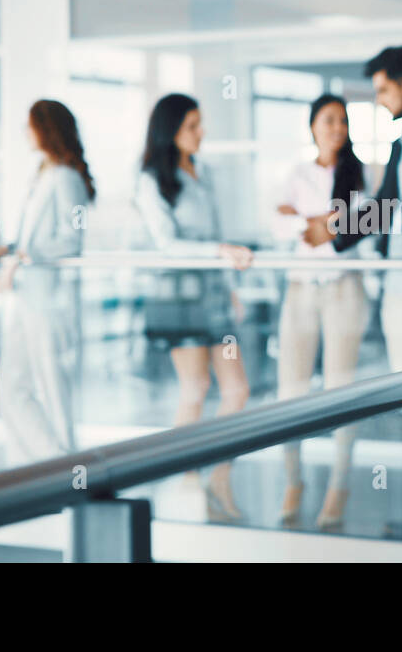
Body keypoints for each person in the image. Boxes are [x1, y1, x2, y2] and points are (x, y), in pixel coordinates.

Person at [305, 45, 402, 541]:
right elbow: (386, 207)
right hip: (400, 286)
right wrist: (334, 233)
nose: (379, 100)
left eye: (382, 89)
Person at [135, 93, 253, 523]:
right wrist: (218, 252)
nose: (201, 132)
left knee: (237, 389)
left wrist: (230, 287)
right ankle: (186, 479)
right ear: (170, 131)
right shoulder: (151, 179)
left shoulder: (203, 173)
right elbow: (166, 245)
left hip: (214, 299)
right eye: (192, 126)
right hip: (178, 300)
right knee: (196, 388)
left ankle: (218, 475)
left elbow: (219, 233)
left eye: (200, 124)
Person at [271, 94, 369, 530]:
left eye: (342, 121)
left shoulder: (359, 173)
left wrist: (313, 223)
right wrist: (319, 223)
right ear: (312, 125)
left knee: (339, 391)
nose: (336, 128)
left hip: (344, 290)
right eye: (328, 120)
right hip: (300, 291)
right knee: (290, 390)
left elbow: (364, 225)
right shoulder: (295, 172)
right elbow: (277, 224)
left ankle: (338, 488)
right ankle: (294, 482)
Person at [0, 100, 95, 463]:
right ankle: (51, 462)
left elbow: (73, 239)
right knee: (10, 388)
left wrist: (26, 254)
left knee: (52, 388)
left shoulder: (66, 177)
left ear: (45, 129)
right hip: (25, 296)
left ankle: (66, 468)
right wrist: (8, 249)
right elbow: (31, 239)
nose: (24, 133)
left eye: (29, 125)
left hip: (48, 299)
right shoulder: (41, 174)